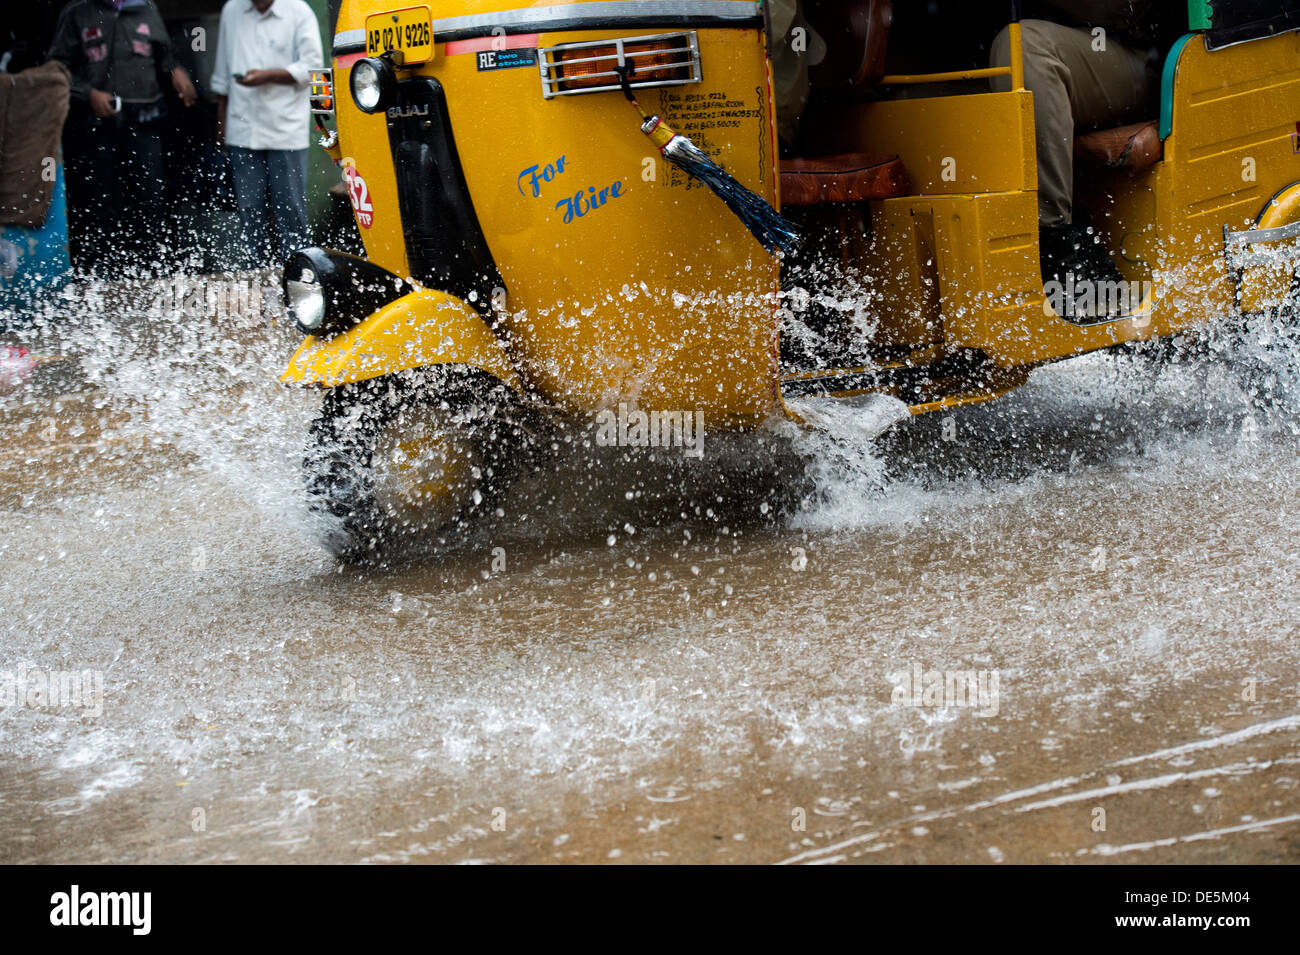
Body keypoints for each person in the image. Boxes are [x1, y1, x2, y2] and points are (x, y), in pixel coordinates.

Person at [991, 1, 1183, 286]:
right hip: (980, 52)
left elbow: (1124, 8)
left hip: (1129, 50)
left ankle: (1057, 247)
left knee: (1022, 47)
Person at [48, 0, 198, 276]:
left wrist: (177, 71)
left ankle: (152, 274)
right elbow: (57, 69)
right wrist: (88, 94)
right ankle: (96, 277)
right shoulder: (79, 11)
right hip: (96, 126)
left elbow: (166, 57)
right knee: (97, 203)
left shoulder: (146, 8)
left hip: (145, 121)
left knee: (151, 201)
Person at [210, 0, 322, 268]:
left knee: (290, 210)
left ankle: (299, 274)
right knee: (250, 210)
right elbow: (223, 72)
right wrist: (221, 122)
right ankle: (256, 272)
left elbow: (312, 67)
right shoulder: (232, 10)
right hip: (242, 126)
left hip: (285, 127)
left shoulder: (299, 11)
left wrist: (268, 76)